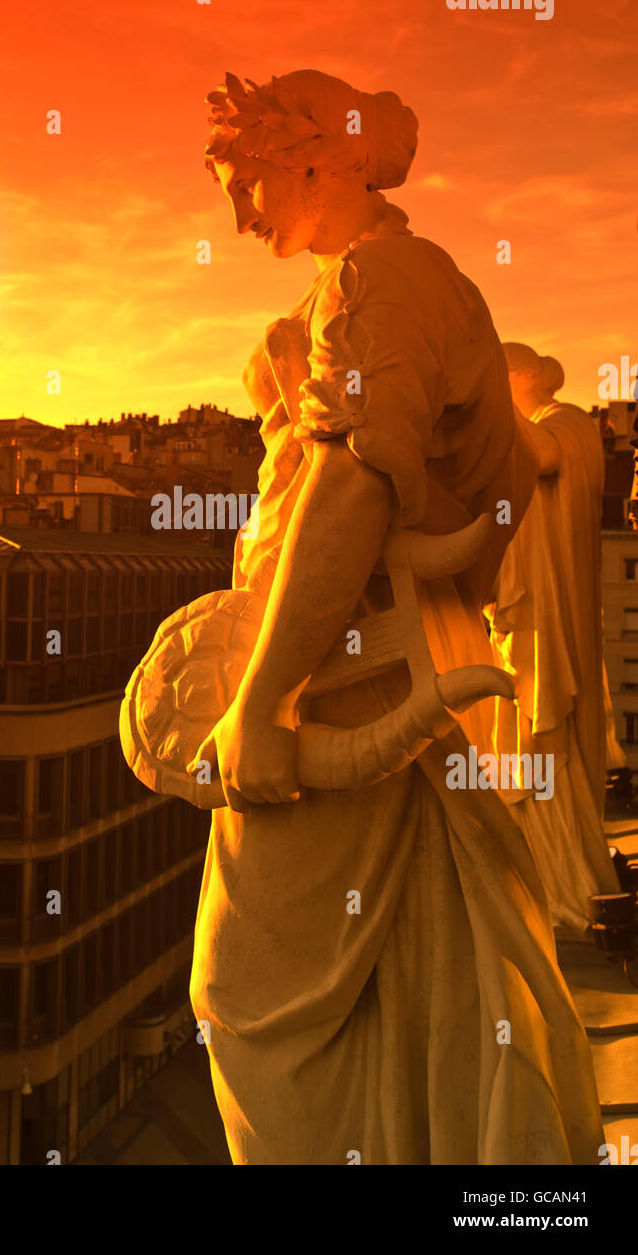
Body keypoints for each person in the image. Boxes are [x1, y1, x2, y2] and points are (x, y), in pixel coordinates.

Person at [186, 69, 604, 1164]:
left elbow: (357, 481)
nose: (240, 218)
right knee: (363, 1003)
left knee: (242, 994)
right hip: (362, 678)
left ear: (316, 155)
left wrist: (265, 698)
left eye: (248, 184)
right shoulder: (379, 283)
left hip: (344, 695)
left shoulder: (384, 278)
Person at [486, 344, 620, 935]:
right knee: (520, 735)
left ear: (518, 378)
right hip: (525, 607)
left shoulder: (563, 423)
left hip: (548, 611)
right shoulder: (531, 427)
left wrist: (485, 408)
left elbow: (540, 459)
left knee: (541, 734)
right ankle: (537, 876)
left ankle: (562, 884)